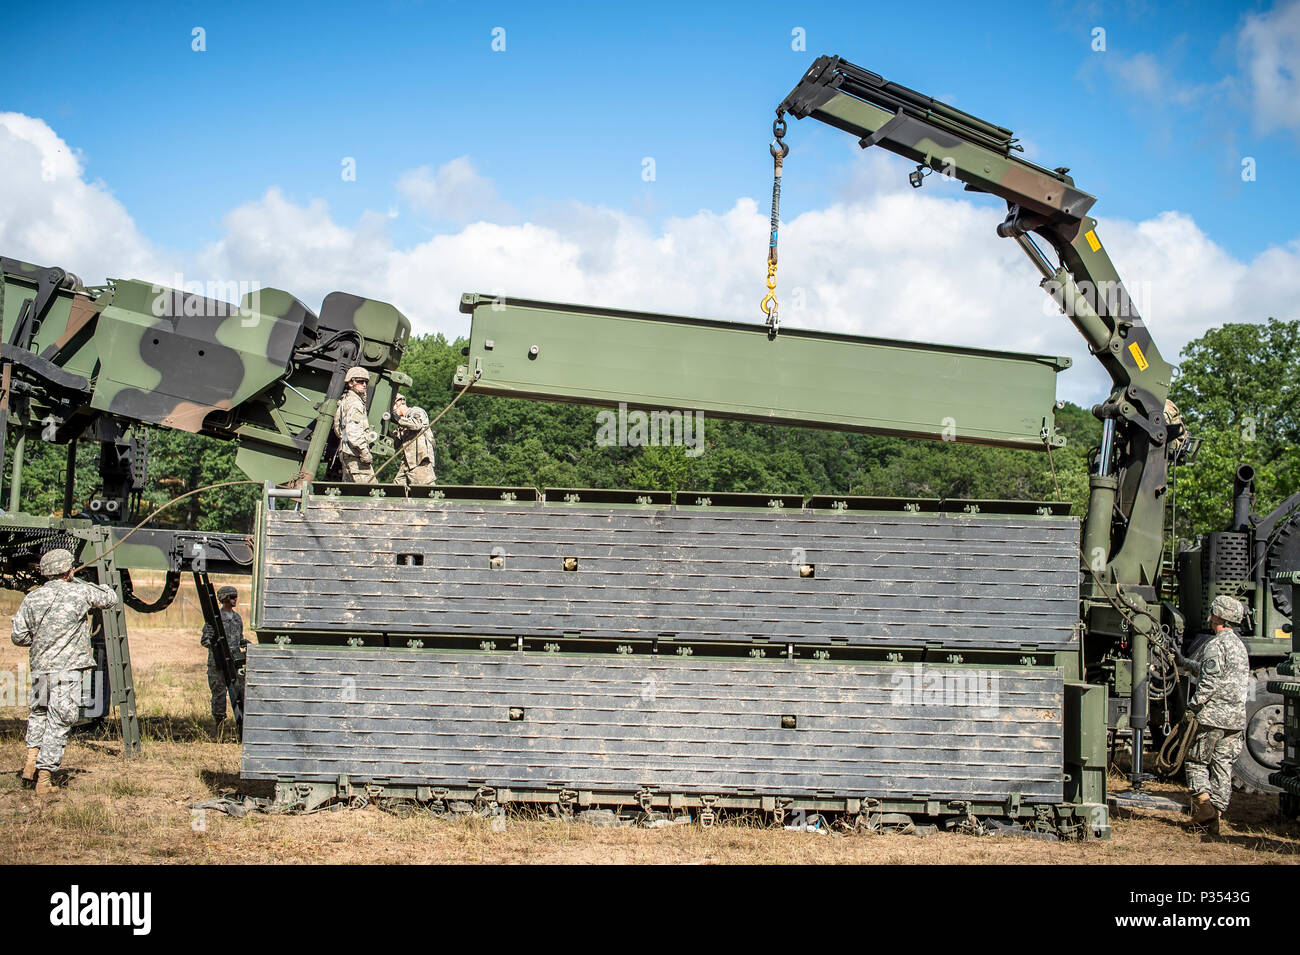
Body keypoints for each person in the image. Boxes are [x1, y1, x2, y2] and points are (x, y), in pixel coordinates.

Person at [10, 548, 118, 796]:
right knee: (60, 720)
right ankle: (45, 779)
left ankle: (30, 762)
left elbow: (18, 636)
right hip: (68, 669)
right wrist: (80, 580)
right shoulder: (80, 591)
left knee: (38, 713)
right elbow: (110, 598)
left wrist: (41, 641)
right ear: (69, 571)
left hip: (40, 668)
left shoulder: (32, 598)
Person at [1176, 594, 1250, 834]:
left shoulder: (1216, 645)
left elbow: (1209, 683)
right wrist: (1186, 663)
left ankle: (1205, 806)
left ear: (1218, 616)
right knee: (1223, 767)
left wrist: (1193, 708)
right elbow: (1218, 674)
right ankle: (1213, 822)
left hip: (1213, 718)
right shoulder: (1240, 646)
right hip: (1236, 720)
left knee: (1196, 762)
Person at [200, 585, 248, 729]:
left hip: (234, 663)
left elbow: (239, 639)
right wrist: (217, 646)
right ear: (225, 599)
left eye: (235, 597)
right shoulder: (215, 619)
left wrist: (247, 645)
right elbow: (205, 641)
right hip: (217, 664)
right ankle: (219, 726)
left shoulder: (237, 618)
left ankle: (242, 725)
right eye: (232, 597)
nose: (235, 600)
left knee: (241, 693)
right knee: (219, 694)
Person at [333, 366, 375, 483]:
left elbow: (338, 428)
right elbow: (353, 431)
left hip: (347, 452)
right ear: (351, 383)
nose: (364, 385)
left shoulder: (345, 401)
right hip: (355, 455)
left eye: (366, 382)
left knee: (350, 493)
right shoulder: (355, 404)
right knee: (370, 493)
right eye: (360, 381)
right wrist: (363, 450)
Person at [391, 394, 436, 487]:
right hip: (408, 464)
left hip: (420, 462)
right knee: (396, 491)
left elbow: (416, 425)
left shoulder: (416, 411)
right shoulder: (402, 425)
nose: (393, 411)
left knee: (425, 493)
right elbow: (396, 443)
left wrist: (397, 419)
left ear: (398, 403)